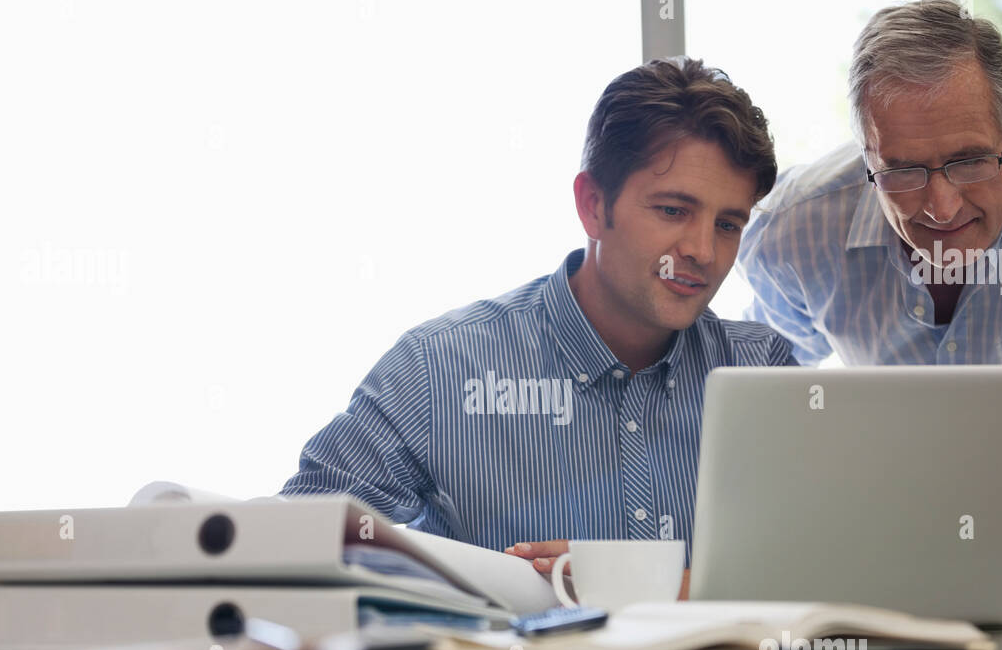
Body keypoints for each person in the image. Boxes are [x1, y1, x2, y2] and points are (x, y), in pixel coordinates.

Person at [281, 57, 794, 599]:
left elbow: (834, 574)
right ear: (593, 206)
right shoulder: (439, 368)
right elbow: (292, 551)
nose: (702, 251)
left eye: (728, 224)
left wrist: (671, 588)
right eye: (672, 210)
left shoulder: (763, 371)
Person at [738, 0, 1002, 617]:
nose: (939, 207)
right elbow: (760, 413)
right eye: (903, 171)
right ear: (866, 157)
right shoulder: (794, 231)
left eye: (968, 161)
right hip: (912, 533)